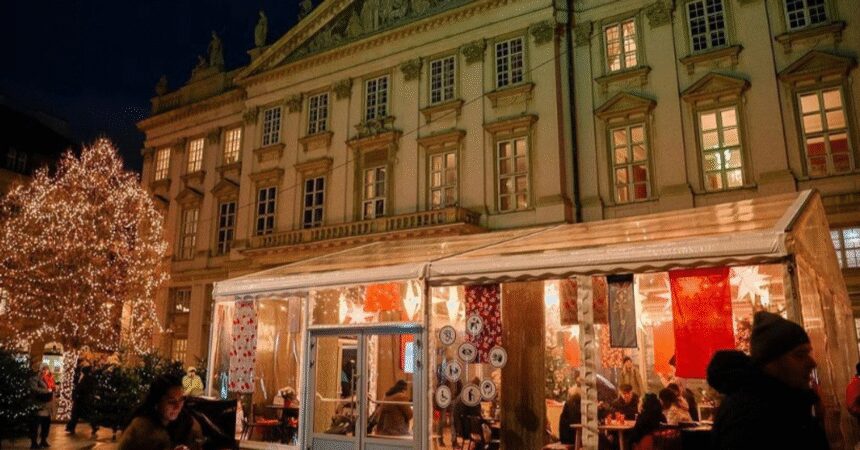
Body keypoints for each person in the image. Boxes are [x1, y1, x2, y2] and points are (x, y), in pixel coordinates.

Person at [707, 311, 828, 450]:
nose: (812, 362)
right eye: (800, 355)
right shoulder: (749, 418)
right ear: (770, 362)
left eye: (808, 353)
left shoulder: (782, 404)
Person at [118, 375, 204, 450]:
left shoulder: (188, 424)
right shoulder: (141, 432)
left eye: (181, 400)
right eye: (171, 401)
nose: (177, 407)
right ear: (157, 402)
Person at [66, 361, 98, 436]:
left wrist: (77, 393)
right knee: (78, 414)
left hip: (82, 399)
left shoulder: (87, 378)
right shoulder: (84, 377)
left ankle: (71, 427)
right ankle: (71, 427)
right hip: (81, 399)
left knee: (79, 414)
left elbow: (83, 388)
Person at [29, 364, 53, 449]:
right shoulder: (34, 378)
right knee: (35, 424)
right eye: (43, 369)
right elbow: (34, 389)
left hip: (46, 405)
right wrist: (47, 391)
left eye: (46, 369)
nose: (44, 371)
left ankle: (43, 440)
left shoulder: (43, 379)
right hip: (39, 405)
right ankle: (34, 442)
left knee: (46, 423)